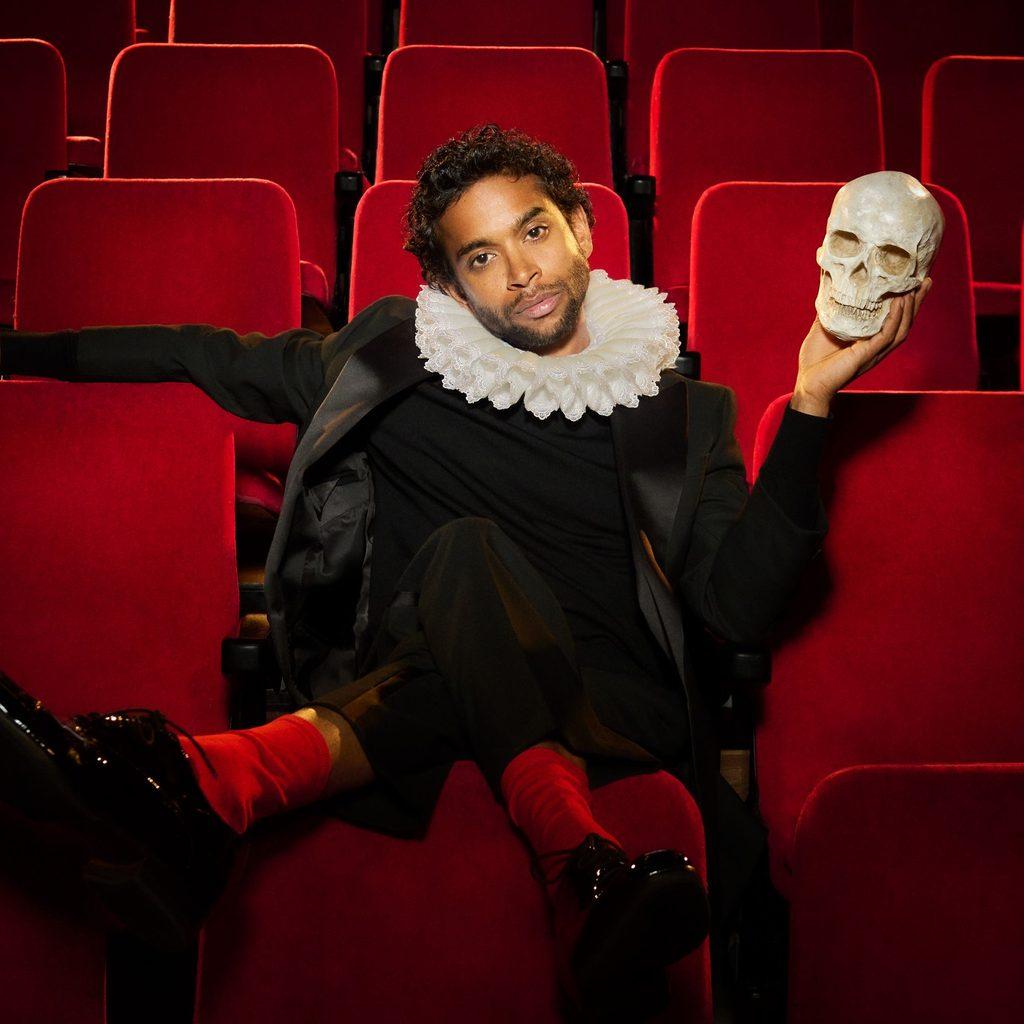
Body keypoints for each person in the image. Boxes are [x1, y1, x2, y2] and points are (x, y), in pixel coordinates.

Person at [0, 125, 929, 1019]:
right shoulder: (393, 360)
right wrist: (17, 353)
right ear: (448, 282)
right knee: (468, 556)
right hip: (429, 663)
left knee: (465, 548)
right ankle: (581, 866)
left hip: (610, 706)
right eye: (481, 256)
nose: (521, 270)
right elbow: (204, 356)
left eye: (534, 230)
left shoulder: (687, 413)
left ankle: (208, 783)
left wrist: (811, 400)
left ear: (582, 230)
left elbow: (741, 609)